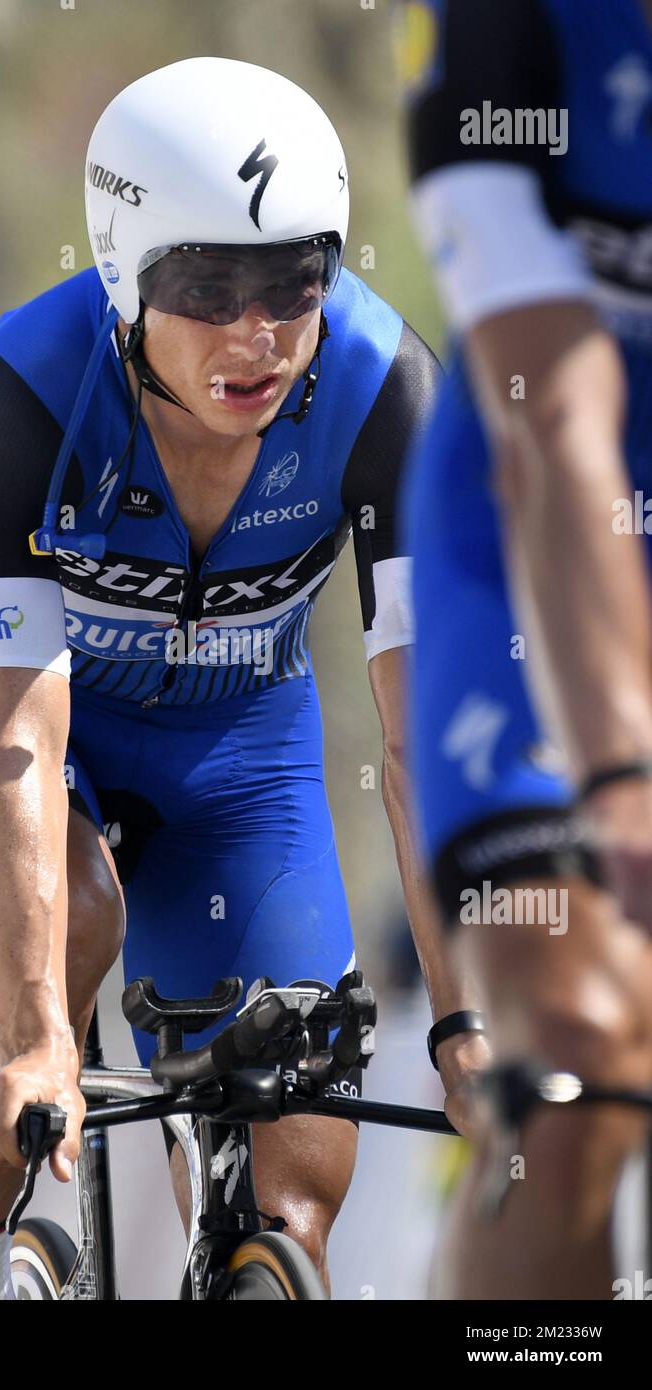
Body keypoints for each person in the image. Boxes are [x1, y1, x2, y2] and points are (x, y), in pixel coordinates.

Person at [0, 55, 471, 1301]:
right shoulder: (25, 391)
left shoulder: (385, 390)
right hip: (11, 722)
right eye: (204, 283)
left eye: (292, 278)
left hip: (237, 763)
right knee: (64, 922)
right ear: (120, 272)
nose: (255, 332)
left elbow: (426, 743)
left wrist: (468, 1017)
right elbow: (17, 747)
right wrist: (39, 1035)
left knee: (296, 1176)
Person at [399, 0, 652, 1298]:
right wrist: (618, 775)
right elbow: (551, 418)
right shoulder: (509, 23)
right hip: (524, 544)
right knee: (571, 1065)